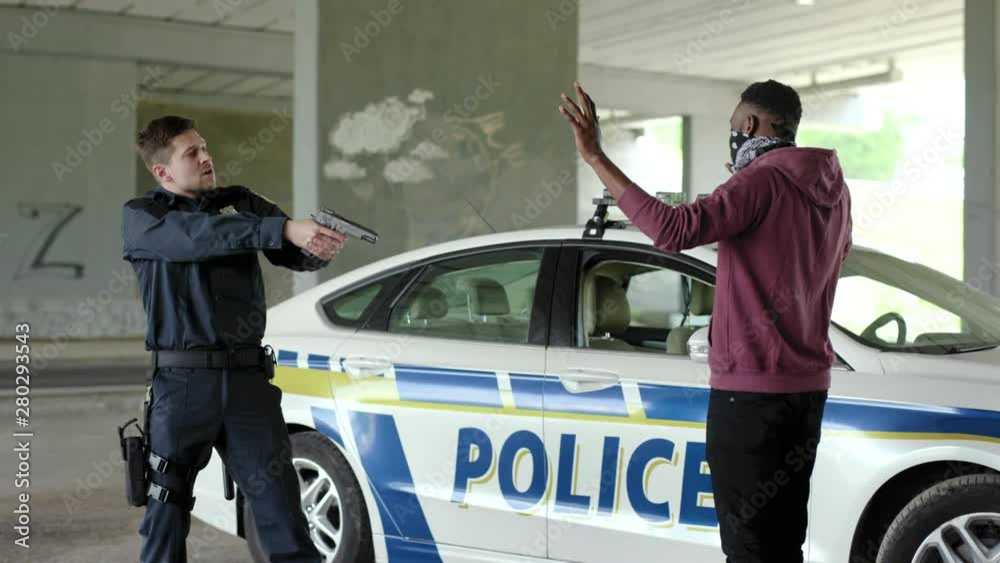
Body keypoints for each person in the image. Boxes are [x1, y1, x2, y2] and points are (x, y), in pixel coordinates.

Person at [559, 80, 851, 562]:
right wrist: (745, 193)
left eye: (735, 126)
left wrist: (594, 156)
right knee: (781, 544)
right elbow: (813, 257)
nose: (733, 136)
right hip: (806, 392)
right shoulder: (833, 193)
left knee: (748, 548)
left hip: (751, 393)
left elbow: (673, 229)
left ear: (750, 126)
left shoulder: (760, 182)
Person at [122, 115, 345, 562]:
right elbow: (196, 239)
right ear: (162, 172)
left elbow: (291, 251)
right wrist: (281, 229)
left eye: (205, 147)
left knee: (284, 514)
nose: (206, 158)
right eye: (192, 153)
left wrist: (313, 244)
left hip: (247, 384)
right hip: (183, 388)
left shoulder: (240, 201)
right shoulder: (144, 217)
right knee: (165, 519)